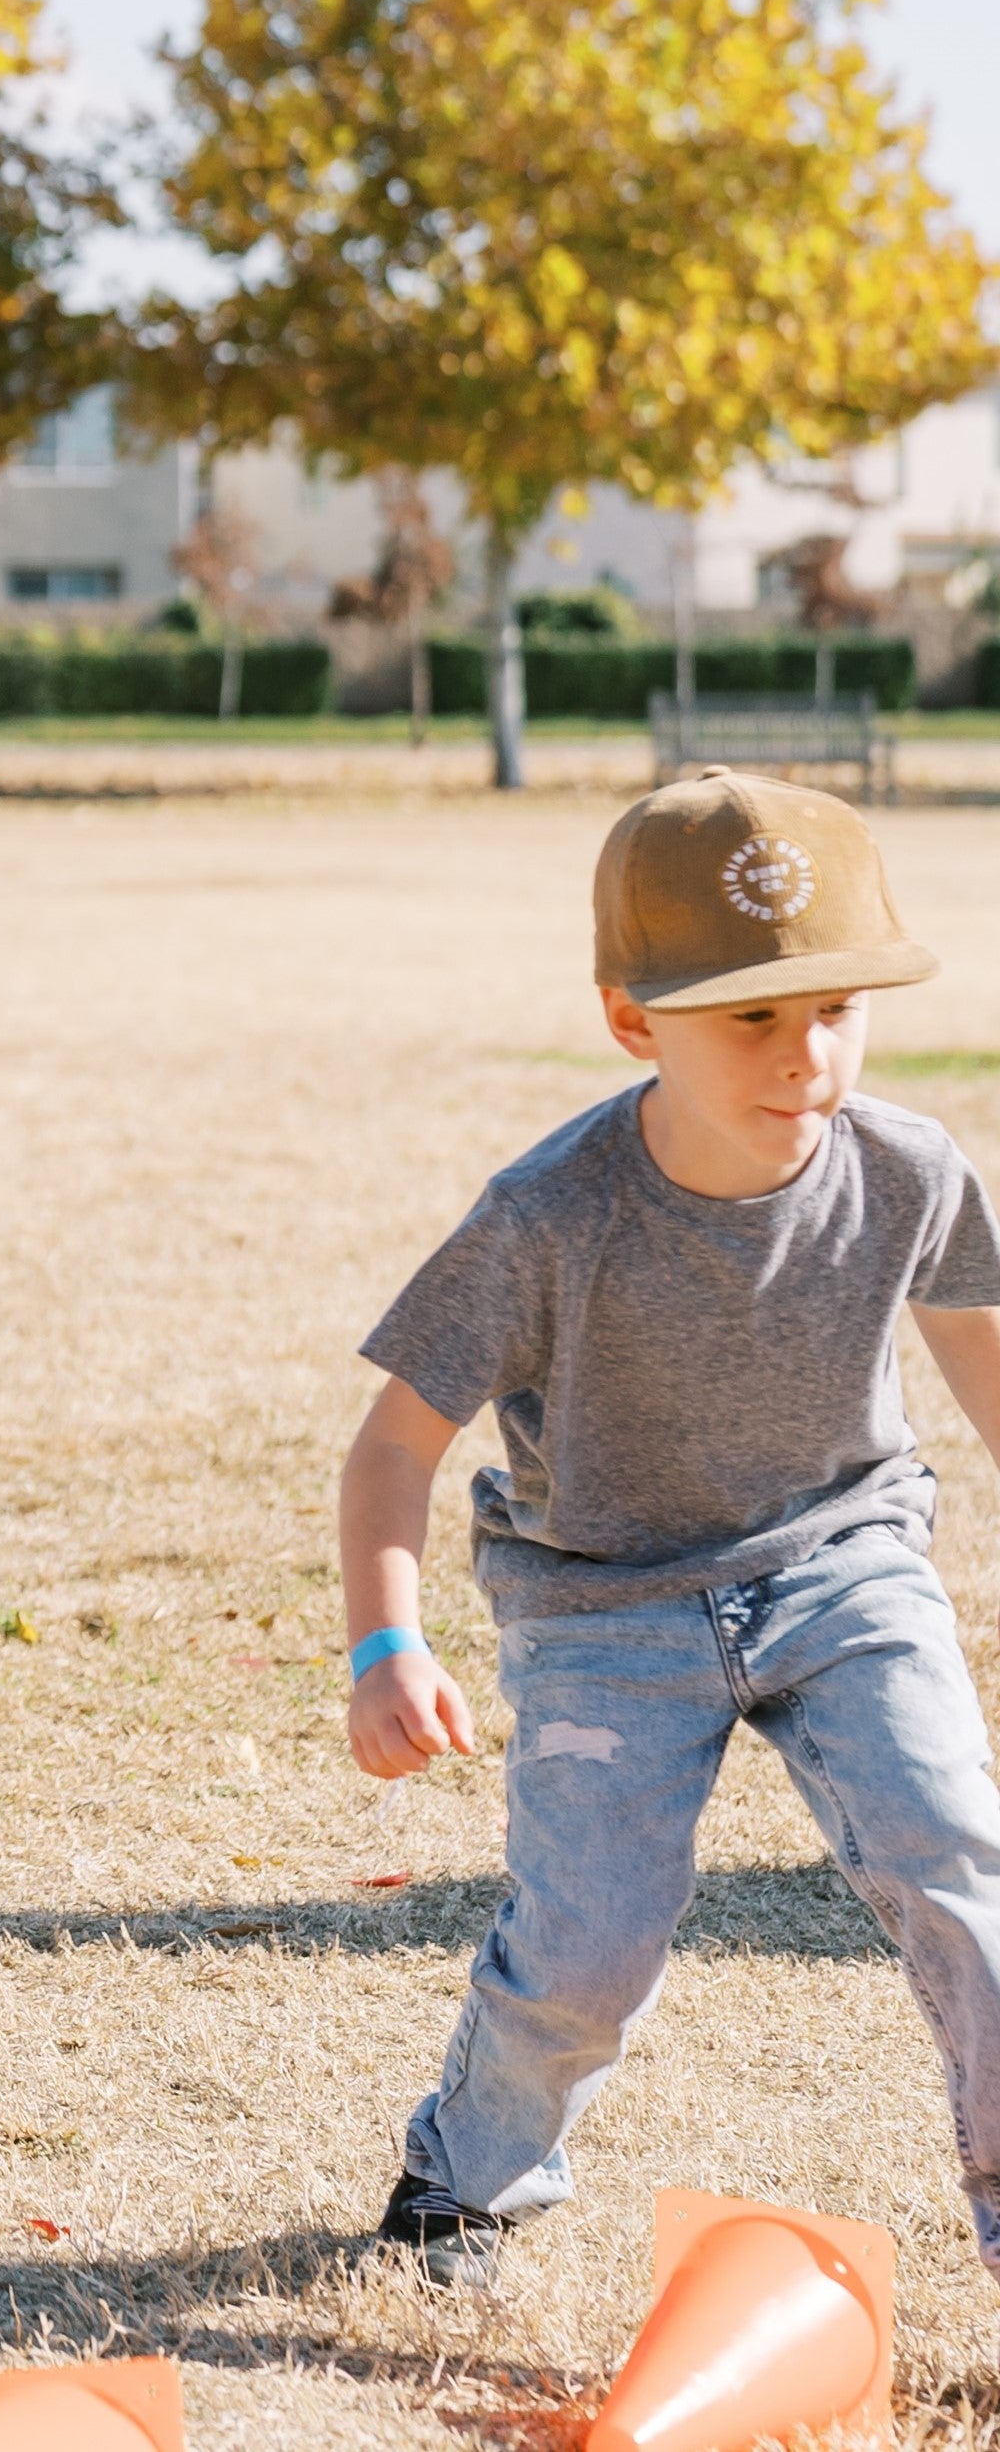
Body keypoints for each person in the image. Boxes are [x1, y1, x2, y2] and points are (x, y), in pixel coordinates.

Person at [343, 768, 1000, 2287]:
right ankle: (470, 2180)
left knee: (963, 1856)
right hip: (604, 1613)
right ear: (634, 1020)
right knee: (590, 1945)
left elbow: (982, 1355)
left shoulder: (910, 1171)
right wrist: (388, 1638)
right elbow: (392, 1446)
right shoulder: (548, 1214)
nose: (805, 1055)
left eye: (833, 1008)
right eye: (751, 1017)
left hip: (846, 1569)